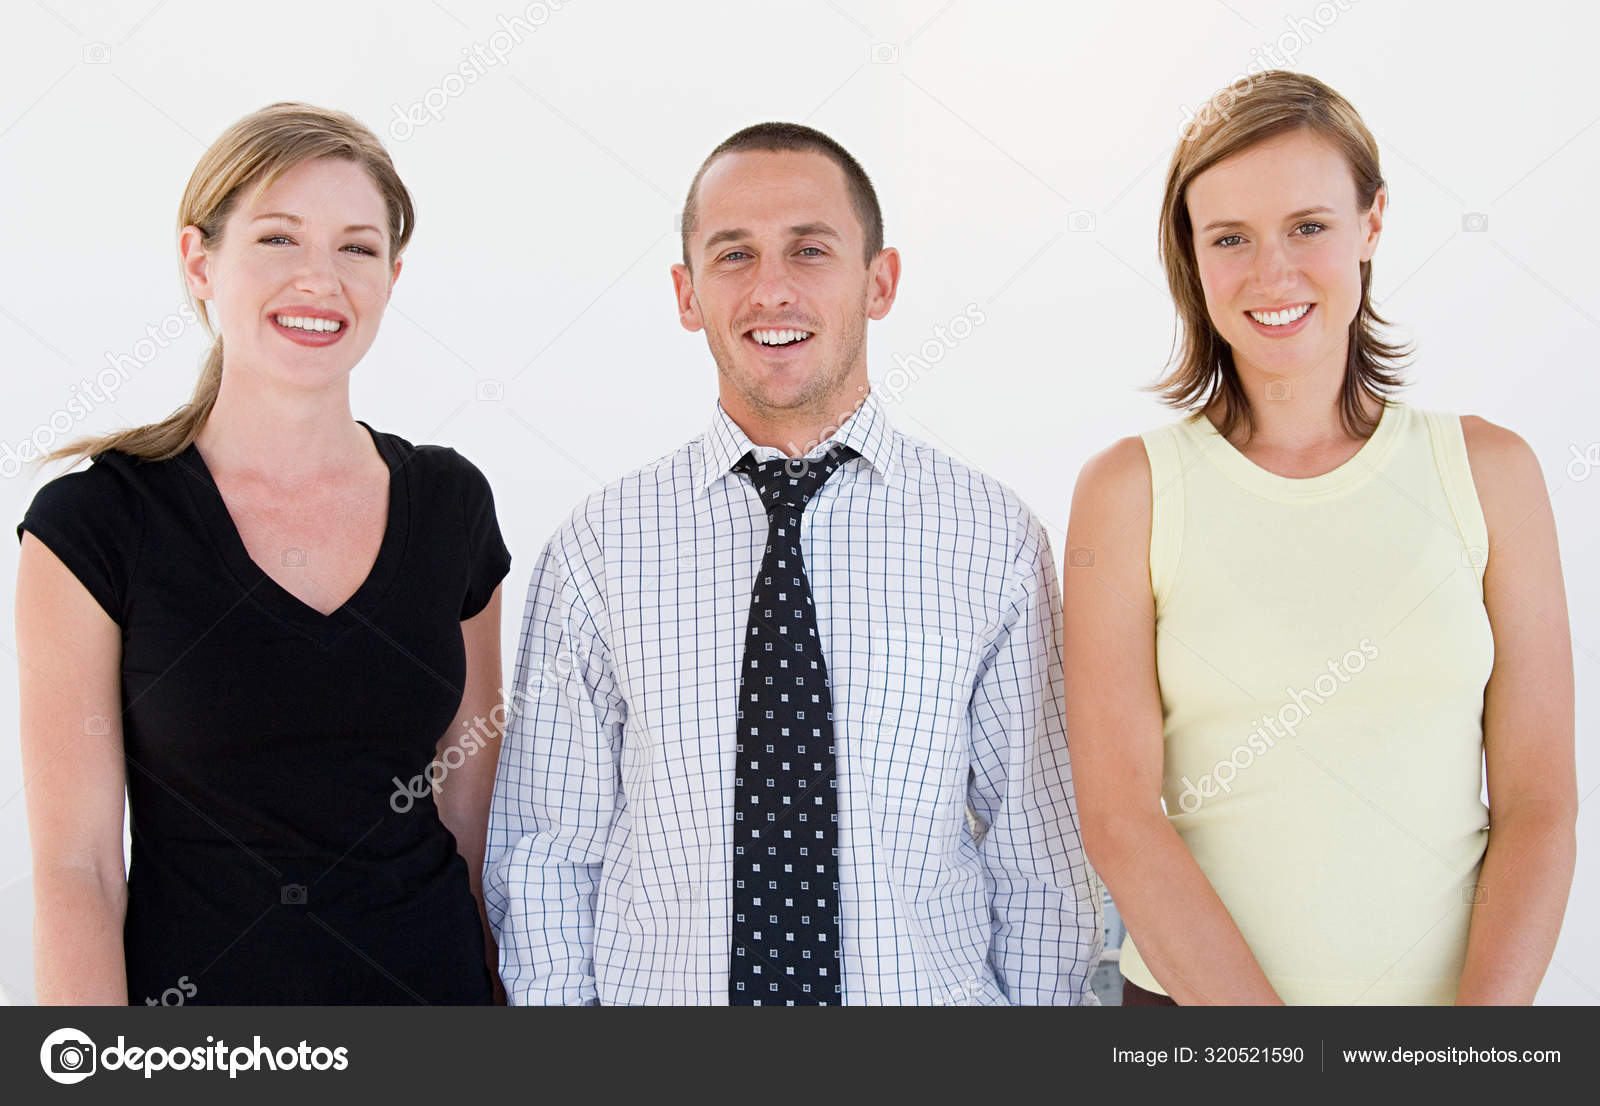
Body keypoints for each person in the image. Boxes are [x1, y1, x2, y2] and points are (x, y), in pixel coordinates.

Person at [485, 121, 1101, 1005]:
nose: (771, 289)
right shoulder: (600, 547)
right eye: (734, 255)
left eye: (810, 251)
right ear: (687, 292)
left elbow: (1039, 856)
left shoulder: (993, 538)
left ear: (879, 281)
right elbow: (547, 855)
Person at [1063, 71, 1576, 1005]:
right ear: (1191, 254)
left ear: (1372, 223)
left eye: (1308, 226)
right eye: (1231, 237)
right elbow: (1119, 820)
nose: (1273, 273)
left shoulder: (1491, 473)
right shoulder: (1126, 493)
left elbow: (1540, 804)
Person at [15, 103, 512, 1005]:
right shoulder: (95, 523)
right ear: (200, 261)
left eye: (357, 248)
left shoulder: (451, 504)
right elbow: (78, 870)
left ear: (392, 277)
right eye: (278, 239)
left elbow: (470, 814)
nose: (320, 278)